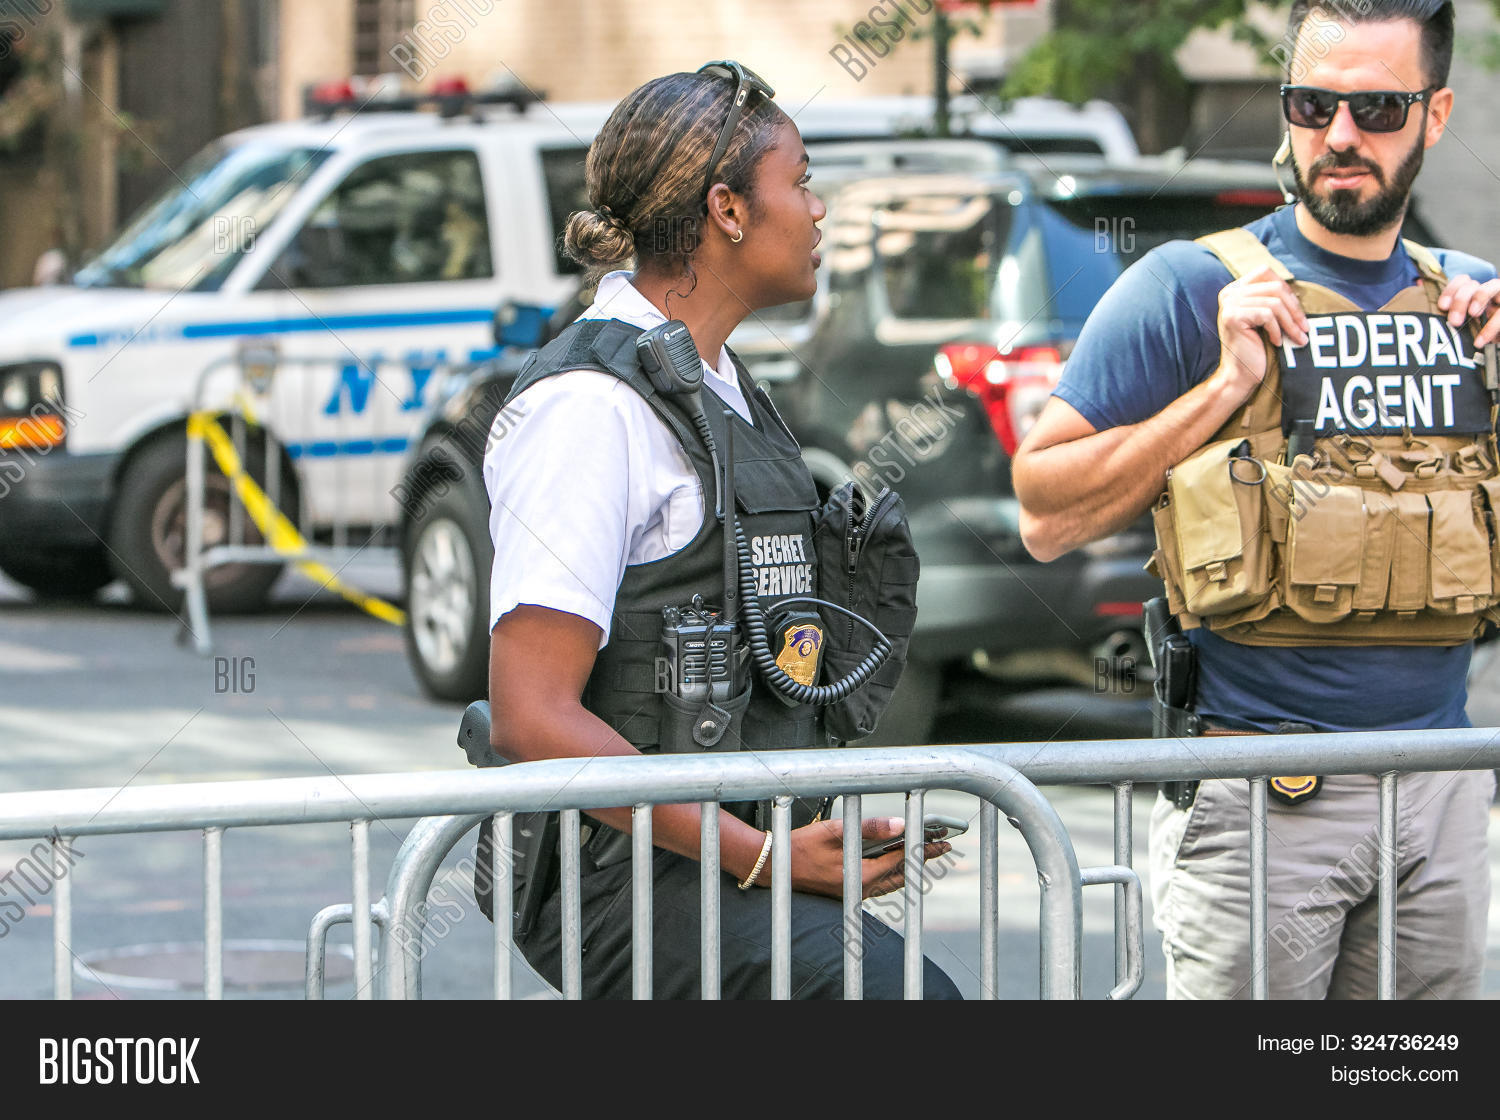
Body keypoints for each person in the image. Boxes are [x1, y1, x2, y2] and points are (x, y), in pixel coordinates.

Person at [1012, 0, 1500, 999]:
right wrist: (1223, 388)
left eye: (1378, 108)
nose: (1341, 136)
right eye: (1312, 104)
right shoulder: (1192, 288)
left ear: (1436, 114)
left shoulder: (1476, 306)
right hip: (1260, 799)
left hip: (1443, 794)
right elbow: (1044, 512)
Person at [477, 61, 962, 999]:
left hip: (722, 856)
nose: (820, 210)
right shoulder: (590, 406)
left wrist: (793, 842)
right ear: (728, 210)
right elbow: (531, 713)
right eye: (803, 181)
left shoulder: (720, 386)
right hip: (624, 876)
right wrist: (761, 857)